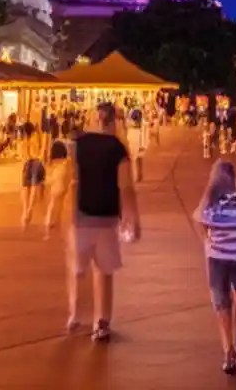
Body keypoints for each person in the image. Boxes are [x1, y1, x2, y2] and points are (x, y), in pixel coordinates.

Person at [67, 102, 141, 341]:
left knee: (78, 269)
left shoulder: (78, 145)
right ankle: (102, 322)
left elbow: (71, 180)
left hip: (82, 217)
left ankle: (75, 313)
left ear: (94, 118)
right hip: (107, 218)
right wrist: (133, 218)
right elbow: (126, 187)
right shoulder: (118, 149)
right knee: (104, 272)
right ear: (114, 120)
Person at [196, 160, 236, 375]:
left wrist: (207, 241)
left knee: (222, 304)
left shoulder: (211, 195)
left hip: (217, 257)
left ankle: (228, 351)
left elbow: (202, 219)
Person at [43, 133, 74, 240]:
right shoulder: (67, 162)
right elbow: (71, 173)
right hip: (64, 186)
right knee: (60, 205)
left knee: (52, 204)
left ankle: (48, 223)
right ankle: (57, 221)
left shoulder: (54, 163)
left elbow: (51, 175)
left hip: (56, 185)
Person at [21, 144, 46, 230]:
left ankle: (27, 211)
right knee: (31, 188)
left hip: (32, 160)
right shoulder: (43, 132)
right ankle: (28, 211)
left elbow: (44, 145)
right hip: (33, 160)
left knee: (28, 187)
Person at [126, 104, 147, 182]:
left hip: (138, 144)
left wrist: (143, 145)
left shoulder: (142, 125)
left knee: (138, 160)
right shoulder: (131, 125)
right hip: (134, 144)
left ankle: (139, 175)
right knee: (136, 160)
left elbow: (144, 136)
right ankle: (138, 175)